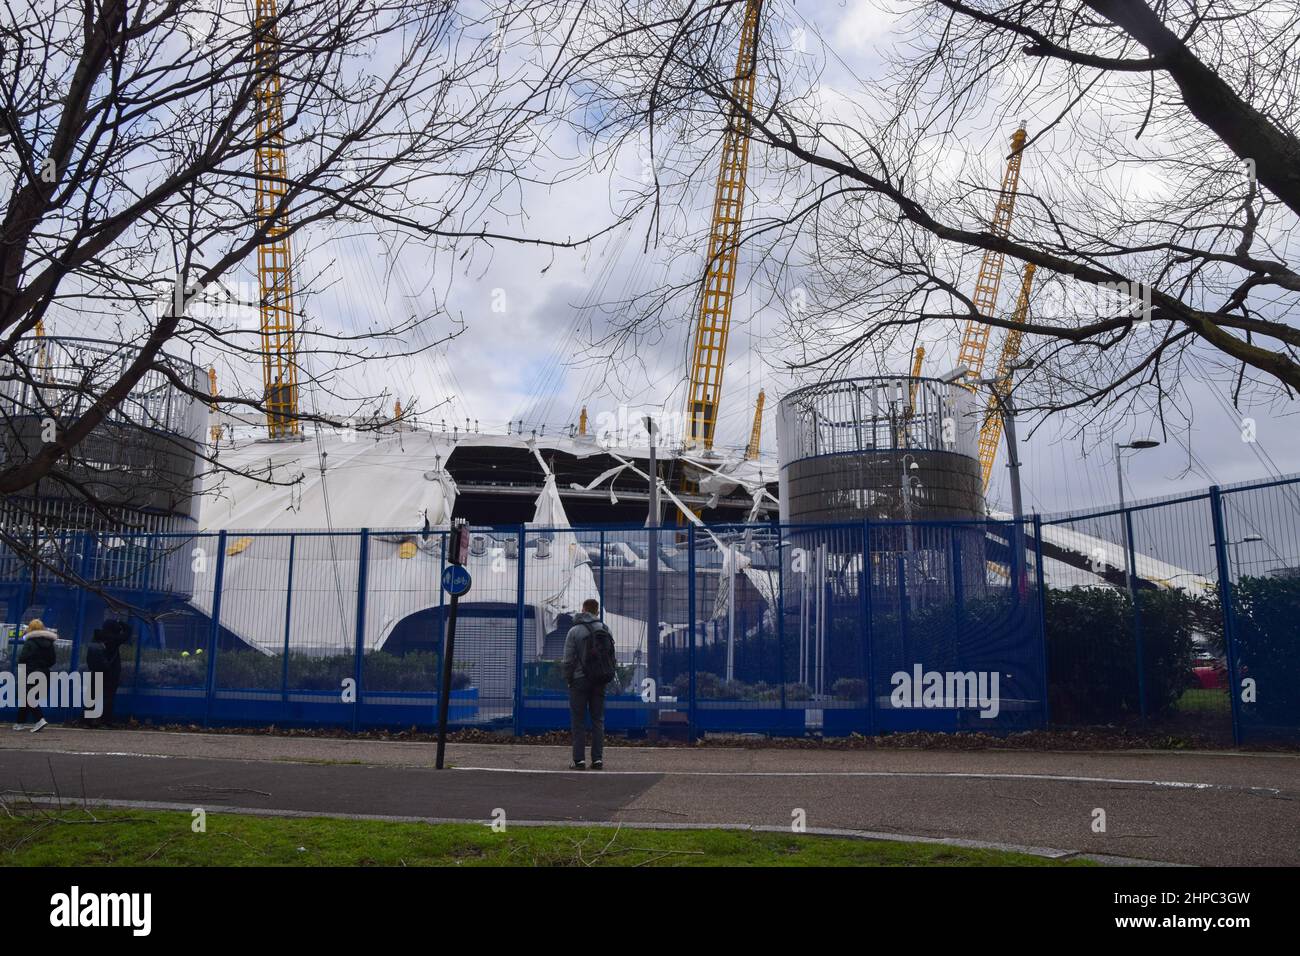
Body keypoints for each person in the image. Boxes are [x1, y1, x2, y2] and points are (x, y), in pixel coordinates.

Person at [562, 598, 616, 770]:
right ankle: (597, 759)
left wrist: (569, 679)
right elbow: (612, 658)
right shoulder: (605, 630)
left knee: (578, 720)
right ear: (597, 612)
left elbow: (568, 660)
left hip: (579, 680)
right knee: (598, 719)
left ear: (583, 609)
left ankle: (579, 760)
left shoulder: (574, 631)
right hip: (599, 680)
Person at [13, 618, 57, 733]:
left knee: (28, 697)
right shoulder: (50, 643)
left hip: (31, 671)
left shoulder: (30, 642)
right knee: (28, 697)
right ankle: (19, 723)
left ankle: (40, 719)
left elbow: (23, 658)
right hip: (45, 672)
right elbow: (53, 660)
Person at [85, 619, 131, 728]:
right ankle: (105, 721)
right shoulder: (114, 639)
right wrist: (121, 622)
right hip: (110, 672)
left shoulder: (96, 637)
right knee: (108, 697)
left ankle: (86, 721)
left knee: (92, 696)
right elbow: (128, 631)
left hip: (96, 670)